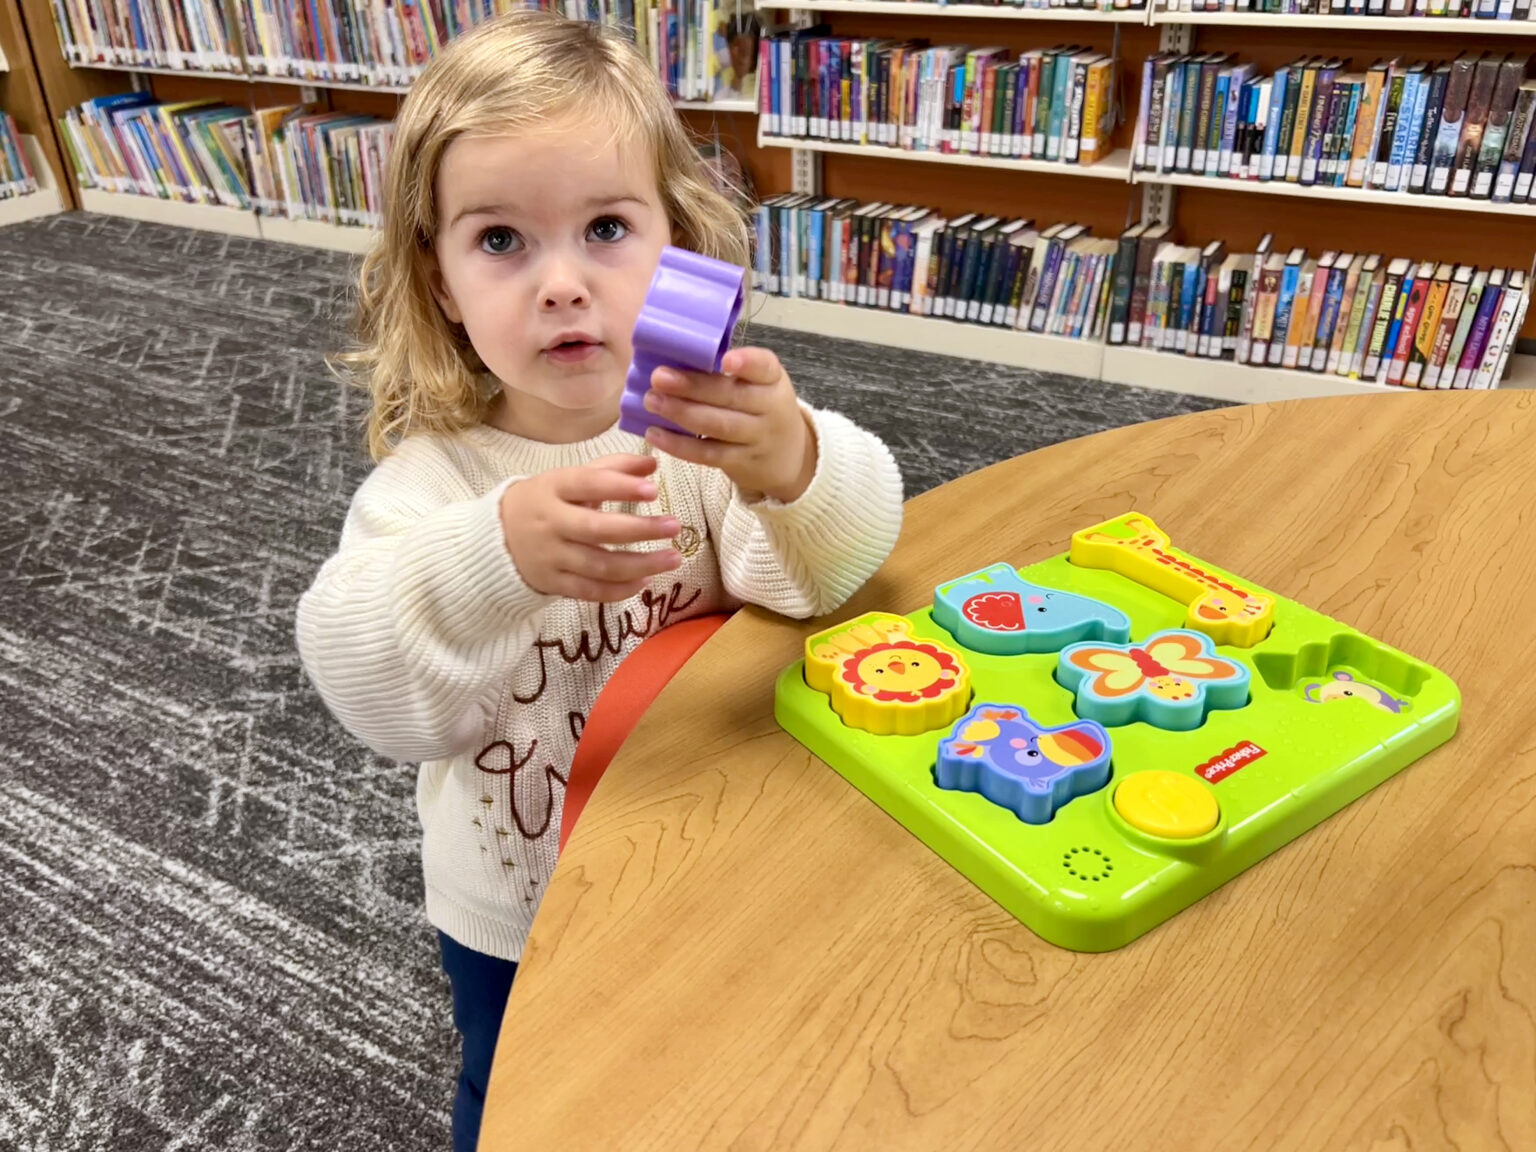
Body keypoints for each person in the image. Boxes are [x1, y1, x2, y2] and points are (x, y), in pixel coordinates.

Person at [294, 11, 904, 1151]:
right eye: (501, 242)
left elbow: (838, 570)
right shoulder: (435, 485)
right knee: (520, 1087)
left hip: (708, 860)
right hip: (515, 904)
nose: (564, 284)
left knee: (708, 1058)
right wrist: (493, 560)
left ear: (678, 244)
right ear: (436, 281)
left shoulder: (705, 440)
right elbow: (364, 683)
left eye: (607, 227)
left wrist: (795, 465)